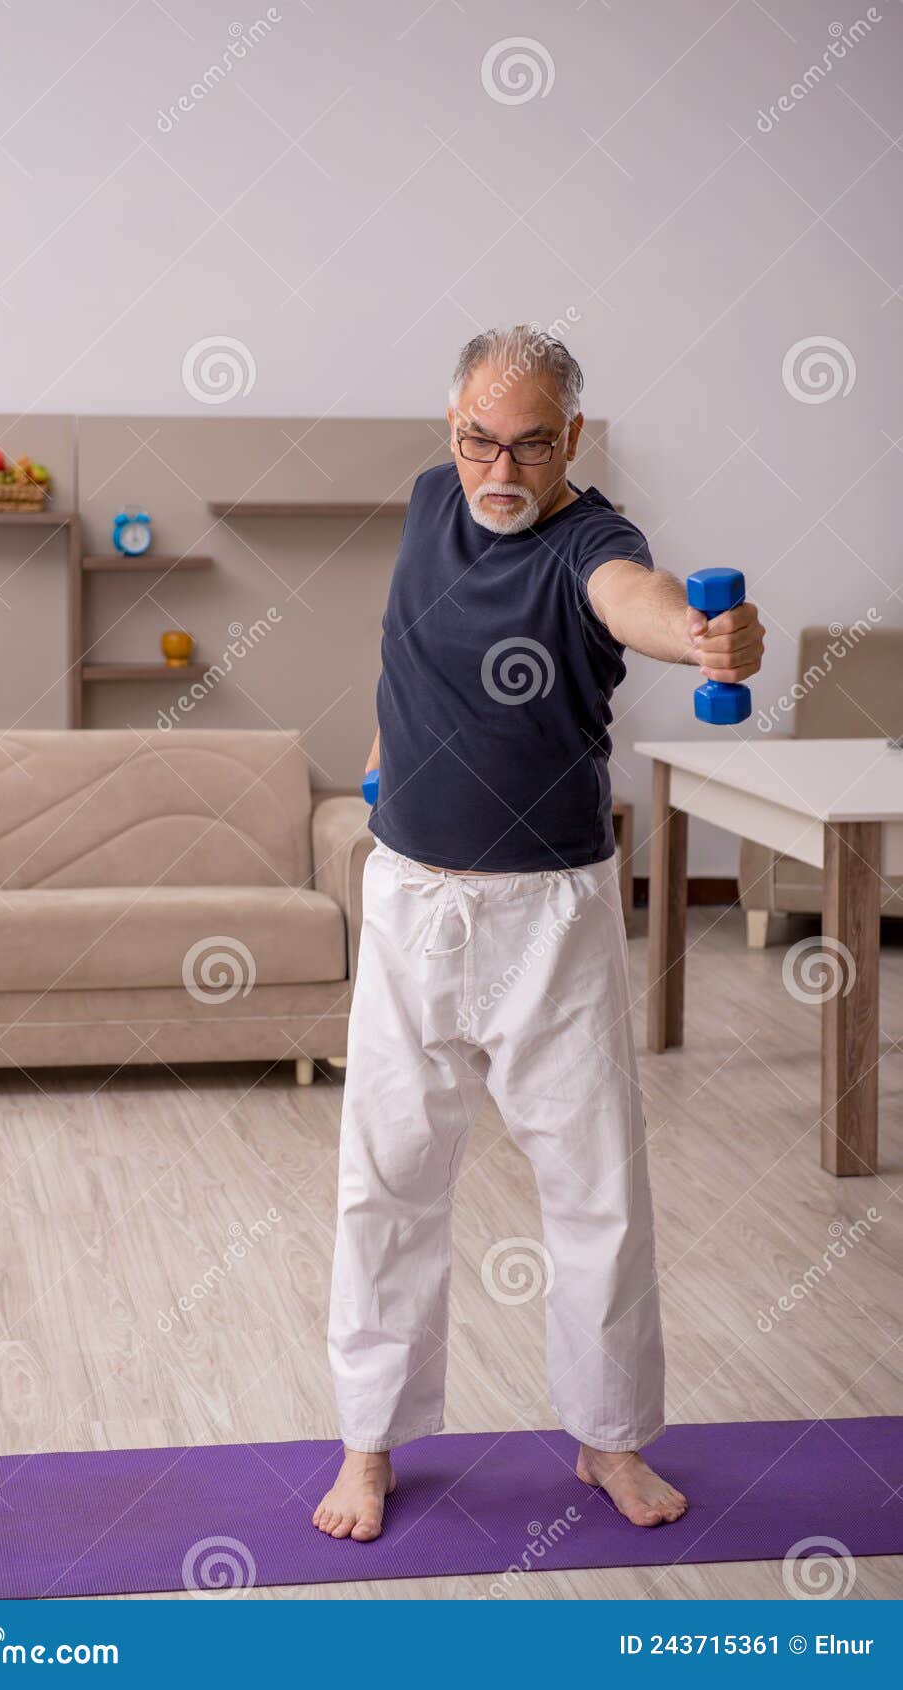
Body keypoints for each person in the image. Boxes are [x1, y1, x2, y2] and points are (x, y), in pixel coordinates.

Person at [312, 324, 765, 1543]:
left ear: (570, 438)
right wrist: (381, 750)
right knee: (387, 1180)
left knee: (595, 1185)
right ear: (448, 431)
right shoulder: (426, 503)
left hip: (549, 912)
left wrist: (705, 637)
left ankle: (608, 1441)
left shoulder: (591, 544)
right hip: (409, 894)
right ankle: (370, 1444)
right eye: (476, 439)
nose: (497, 467)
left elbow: (645, 606)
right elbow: (406, 647)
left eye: (526, 444)